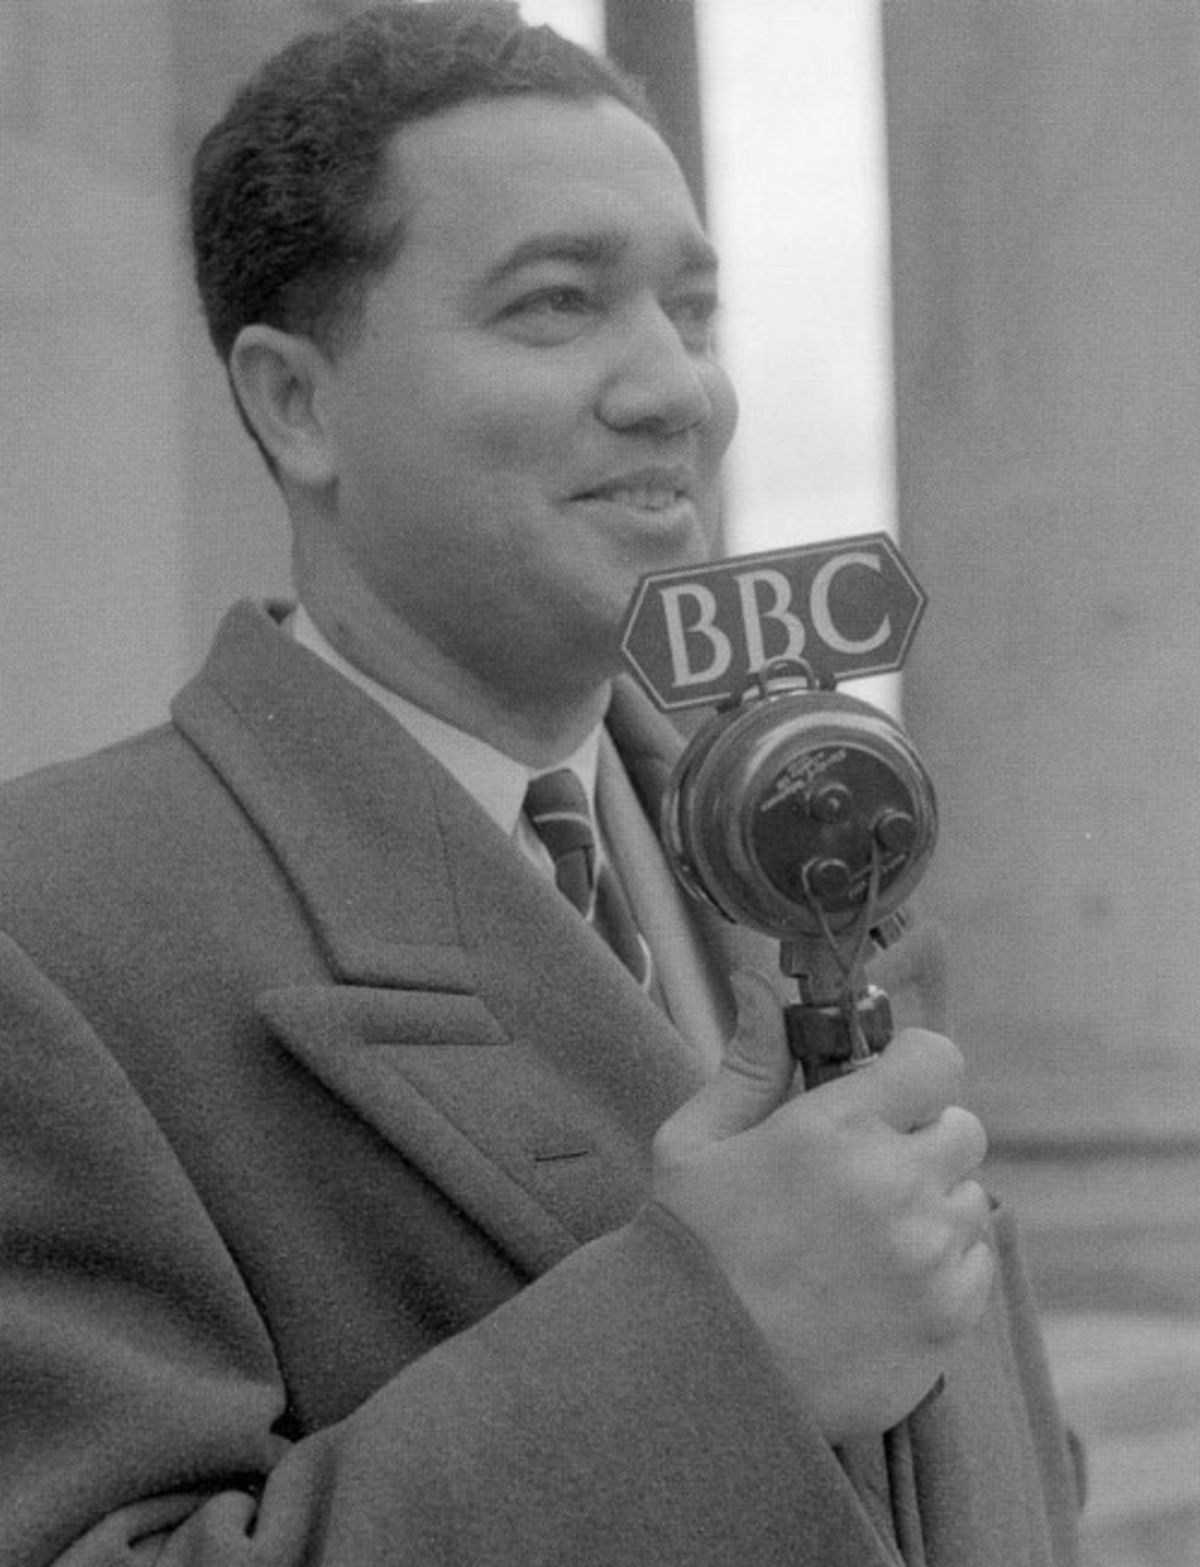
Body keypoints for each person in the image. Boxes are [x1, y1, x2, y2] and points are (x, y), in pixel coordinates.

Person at [0, 5, 1081, 1563]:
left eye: (692, 313)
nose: (679, 395)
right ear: (297, 402)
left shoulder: (808, 834)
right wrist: (723, 1358)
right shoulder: (46, 936)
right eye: (556, 306)